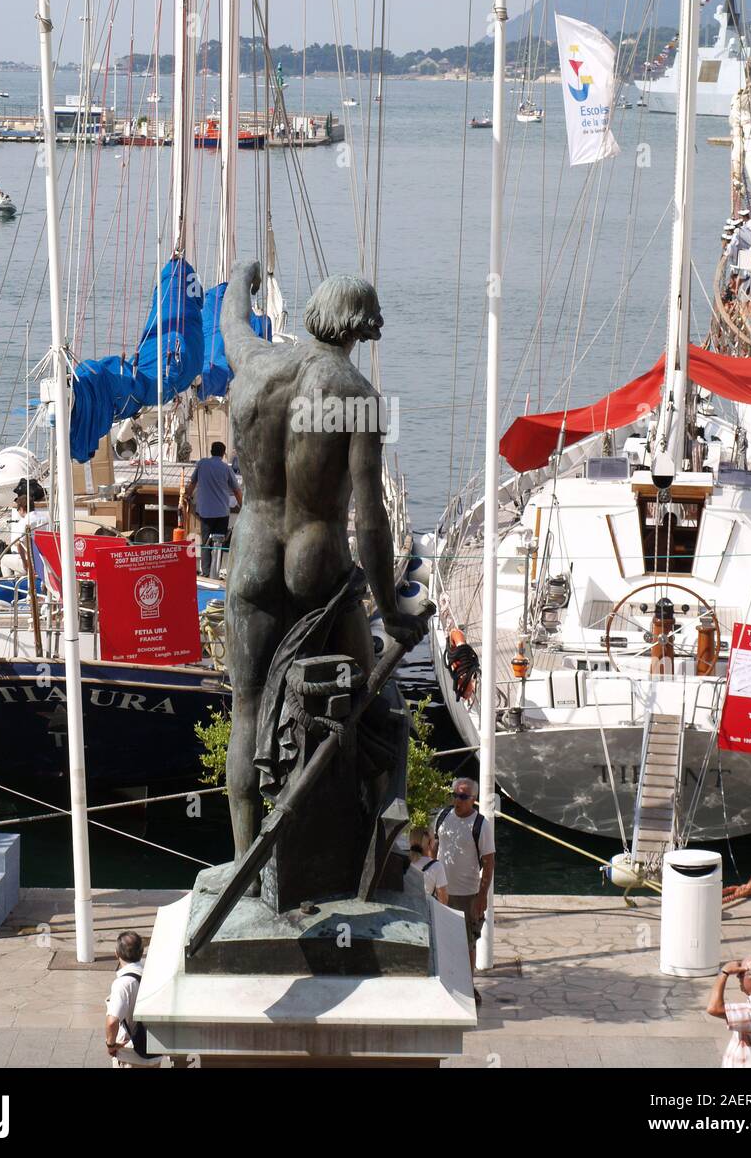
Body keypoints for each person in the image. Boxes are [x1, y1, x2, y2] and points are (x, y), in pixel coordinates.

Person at [220, 262, 432, 860]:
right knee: (370, 707)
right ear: (361, 328)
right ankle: (373, 851)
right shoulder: (357, 397)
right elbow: (371, 520)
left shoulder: (254, 364)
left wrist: (243, 278)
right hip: (319, 559)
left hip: (253, 549)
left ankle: (245, 859)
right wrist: (392, 612)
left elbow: (232, 322)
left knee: (246, 708)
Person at [435, 777, 495, 999]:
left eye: (463, 796)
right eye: (455, 795)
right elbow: (434, 847)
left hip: (467, 895)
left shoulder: (480, 825)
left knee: (467, 943)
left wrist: (482, 896)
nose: (457, 800)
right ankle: (446, 983)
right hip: (442, 892)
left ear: (473, 799)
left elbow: (489, 861)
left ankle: (468, 986)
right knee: (443, 941)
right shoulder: (443, 817)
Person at [183, 441, 243, 578]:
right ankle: (214, 574)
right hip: (222, 512)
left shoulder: (202, 464)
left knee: (205, 543)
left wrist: (187, 495)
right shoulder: (226, 468)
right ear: (223, 454)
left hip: (206, 512)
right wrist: (242, 507)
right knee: (218, 544)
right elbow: (237, 490)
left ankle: (205, 573)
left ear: (211, 451)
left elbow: (192, 483)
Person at [104, 931, 161, 1068]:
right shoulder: (153, 976)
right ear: (141, 952)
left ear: (117, 953)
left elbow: (112, 1022)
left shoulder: (123, 984)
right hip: (155, 1051)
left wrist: (111, 1045)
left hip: (131, 1056)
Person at [1, 489, 49, 579]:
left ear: (22, 509)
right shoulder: (45, 518)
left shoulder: (23, 522)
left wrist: (24, 563)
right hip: (46, 561)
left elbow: (18, 544)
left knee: (4, 560)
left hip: (32, 563)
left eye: (18, 510)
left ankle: (10, 584)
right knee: (16, 565)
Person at [408, 826, 448, 904]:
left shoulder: (402, 862)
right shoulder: (437, 867)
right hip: (424, 909)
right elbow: (443, 900)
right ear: (430, 842)